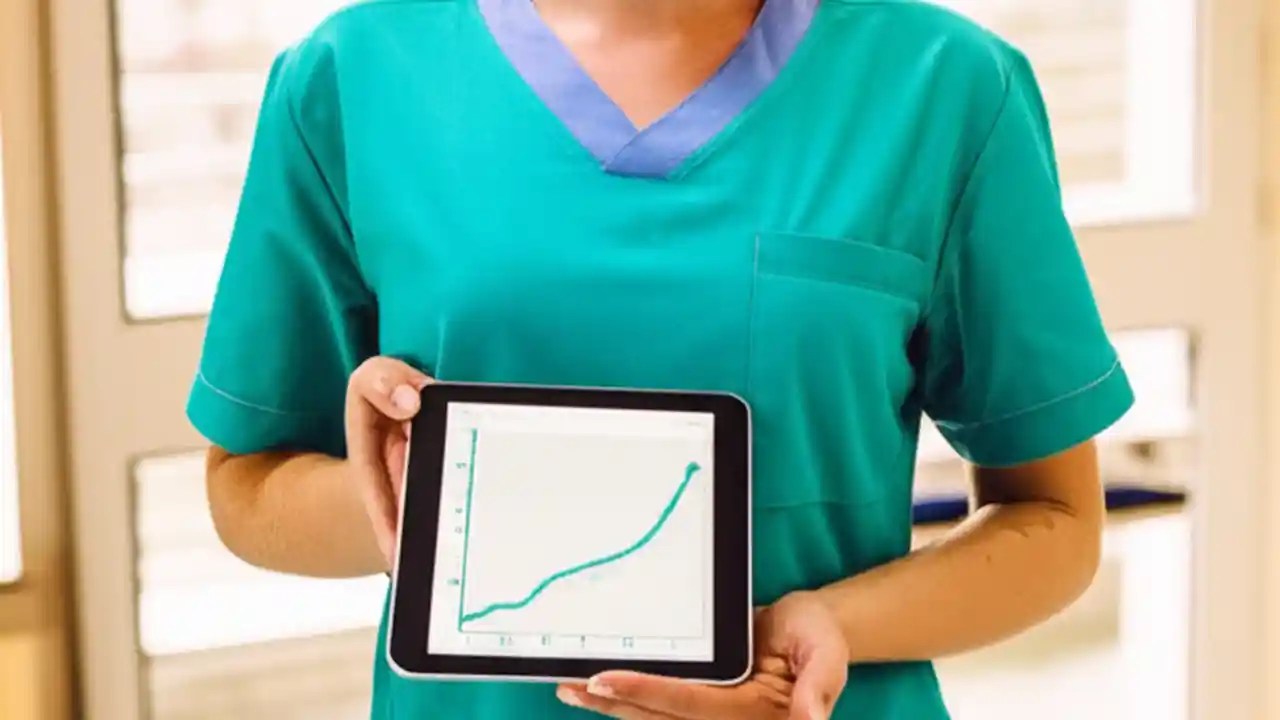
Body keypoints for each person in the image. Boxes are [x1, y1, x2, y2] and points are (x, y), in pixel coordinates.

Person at [187, 0, 1135, 717]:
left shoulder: (944, 85)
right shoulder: (356, 76)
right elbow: (247, 483)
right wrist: (405, 500)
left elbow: (1051, 516)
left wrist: (838, 624)